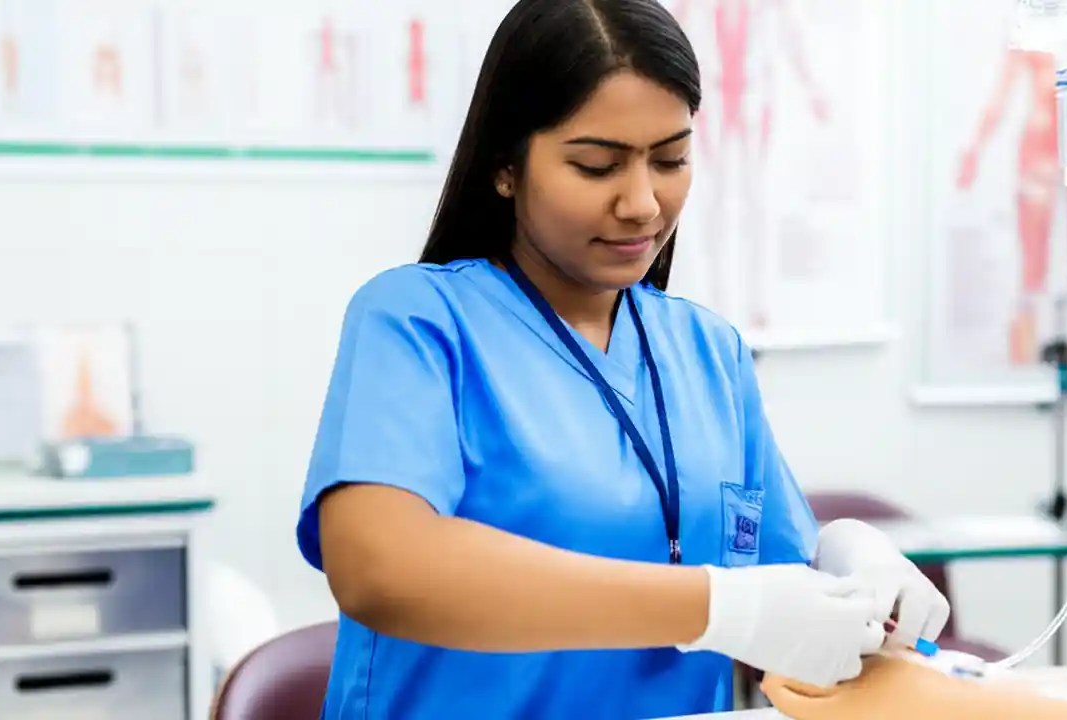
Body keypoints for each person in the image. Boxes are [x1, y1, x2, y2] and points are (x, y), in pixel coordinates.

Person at [296, 1, 949, 717]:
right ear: (505, 167)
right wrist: (709, 605)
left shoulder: (707, 351)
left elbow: (773, 574)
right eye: (597, 165)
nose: (642, 204)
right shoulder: (418, 319)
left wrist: (850, 564)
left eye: (671, 159)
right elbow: (382, 569)